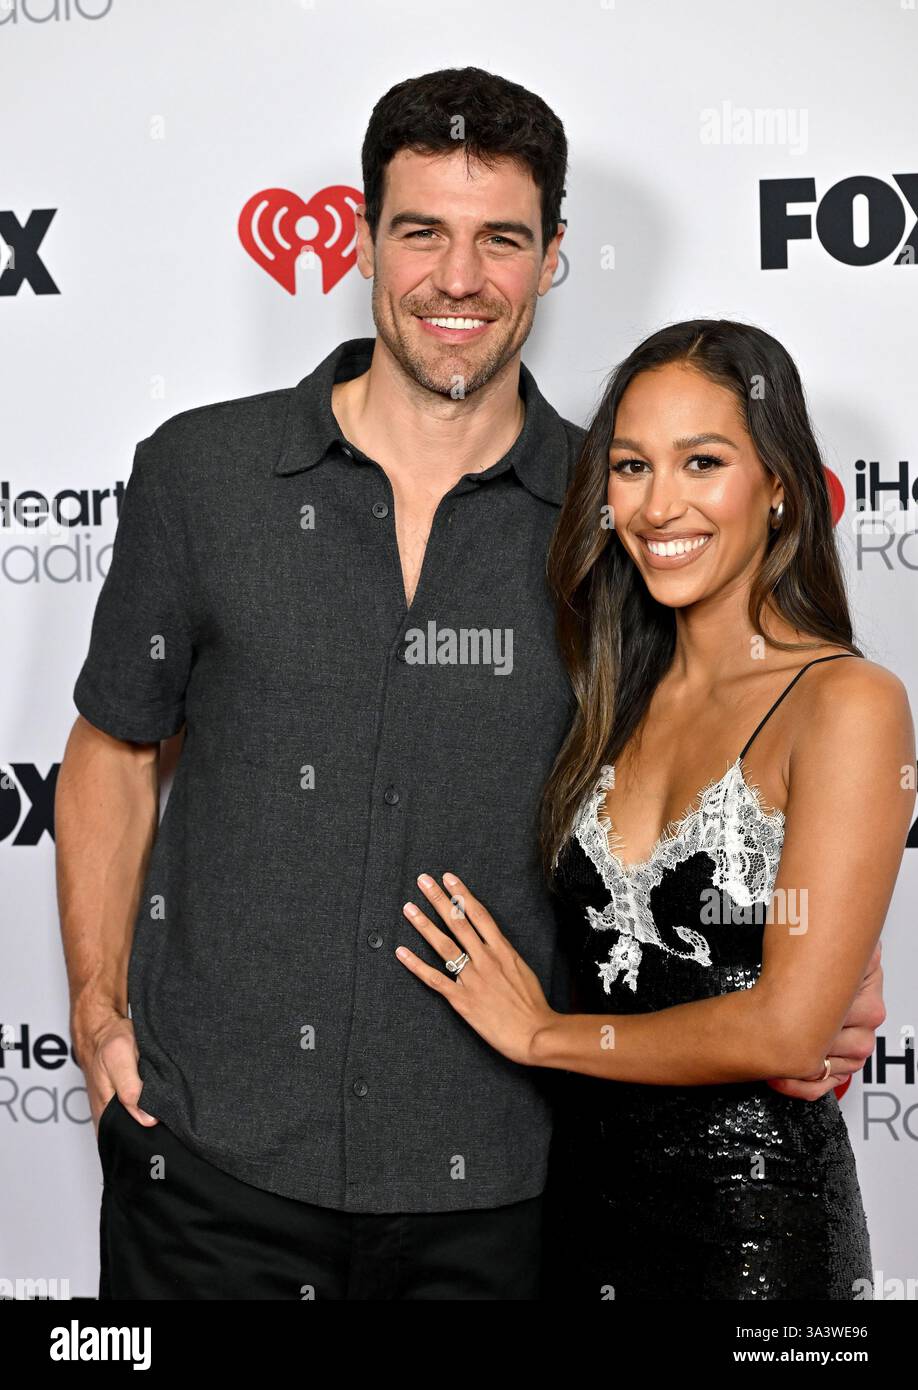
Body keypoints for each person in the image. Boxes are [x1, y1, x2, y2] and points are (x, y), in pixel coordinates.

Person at [55, 69, 885, 1301]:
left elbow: (737, 741)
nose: (459, 279)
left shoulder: (619, 527)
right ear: (360, 237)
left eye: (501, 237)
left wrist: (830, 957)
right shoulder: (201, 476)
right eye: (422, 232)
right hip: (208, 1167)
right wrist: (94, 1001)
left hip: (501, 1193)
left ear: (552, 256)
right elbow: (115, 747)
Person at [394, 318, 915, 1300]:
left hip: (758, 1235)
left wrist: (544, 1032)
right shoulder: (605, 691)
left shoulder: (848, 701)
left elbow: (791, 1031)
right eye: (631, 466)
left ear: (779, 487)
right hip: (575, 1219)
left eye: (702, 461)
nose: (659, 504)